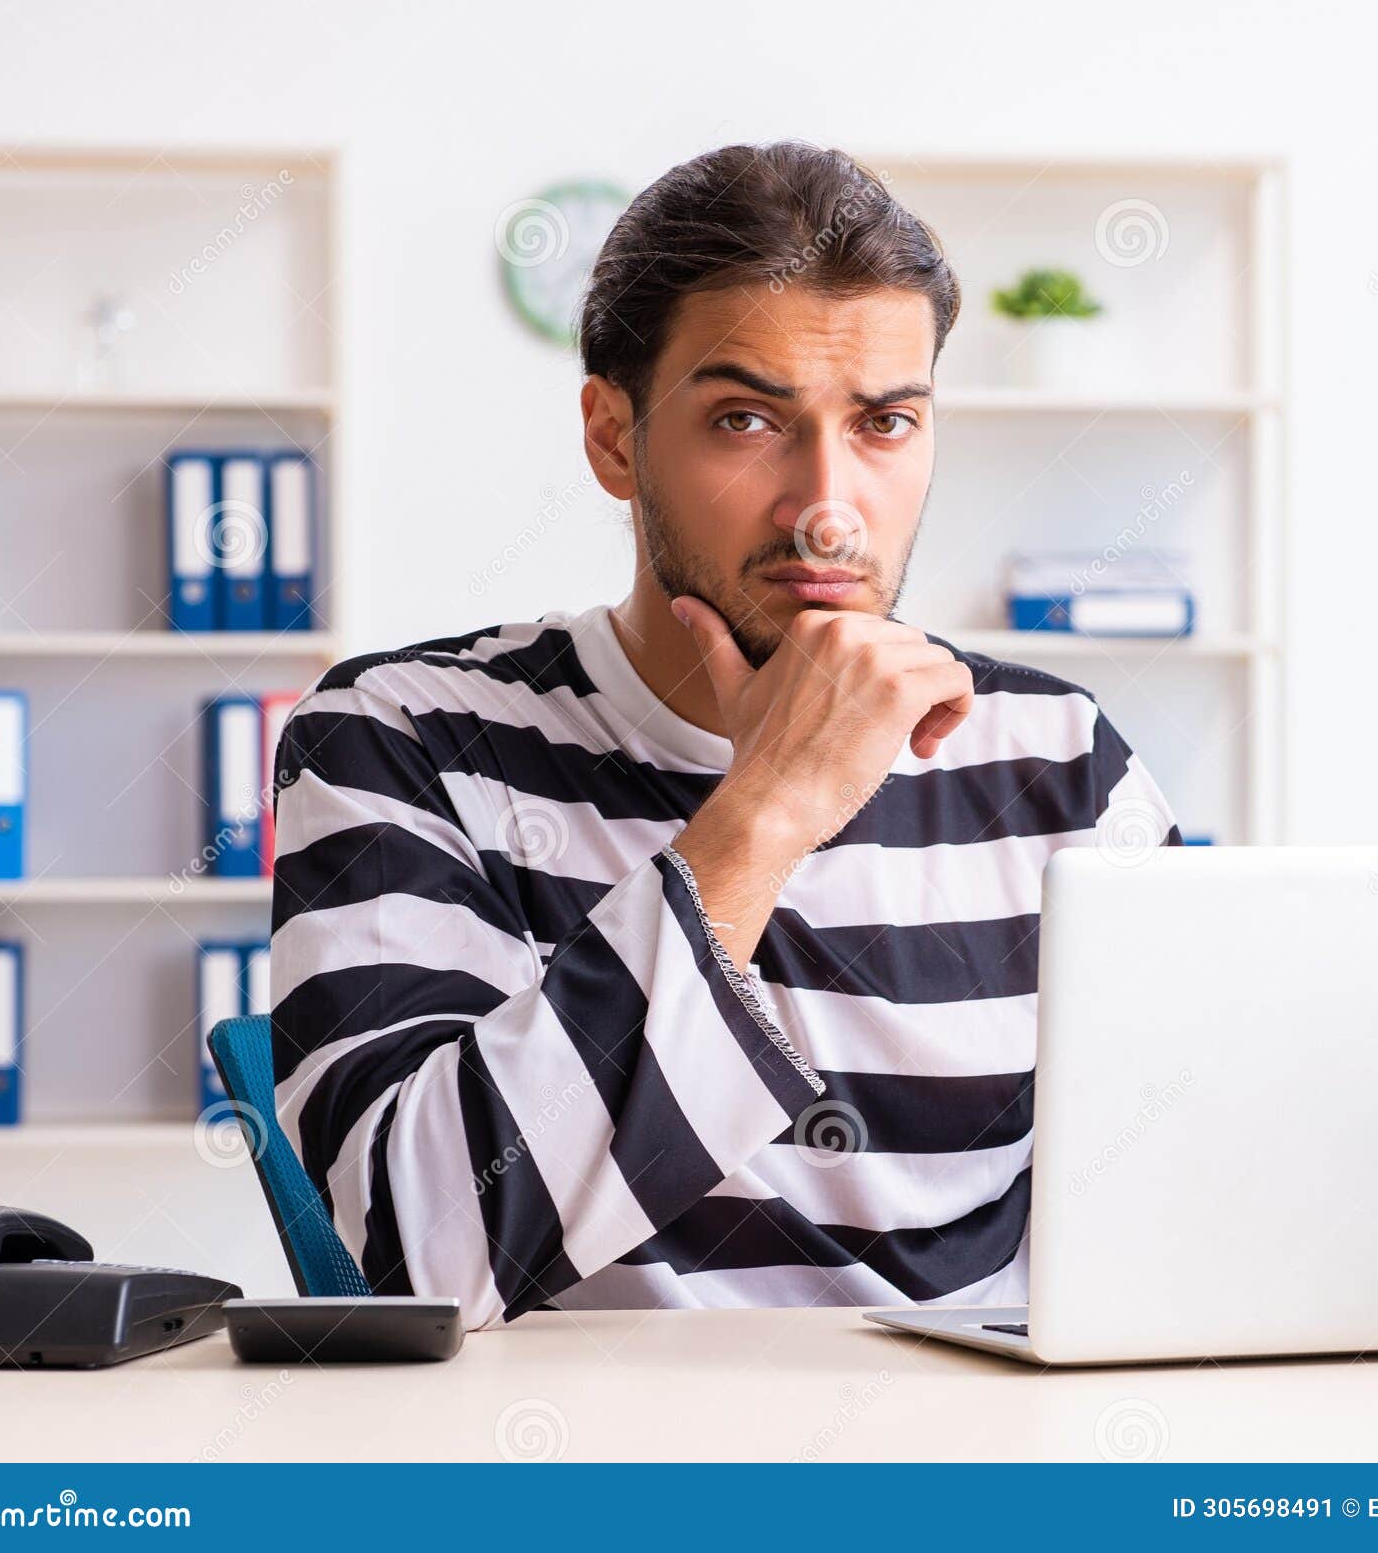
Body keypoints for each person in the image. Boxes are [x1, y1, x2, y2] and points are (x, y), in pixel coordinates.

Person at [269, 140, 1181, 1329]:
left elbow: (1193, 1203)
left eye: (884, 423)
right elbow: (420, 1255)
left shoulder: (1057, 759)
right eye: (747, 419)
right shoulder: (404, 742)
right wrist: (768, 811)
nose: (826, 506)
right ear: (614, 437)